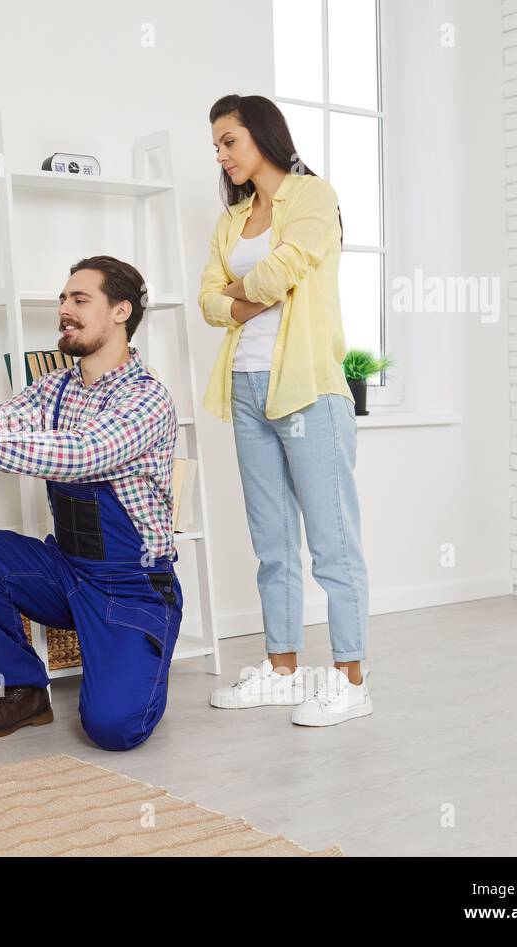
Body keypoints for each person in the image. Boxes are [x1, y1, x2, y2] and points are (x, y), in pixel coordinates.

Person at [0, 256, 183, 751]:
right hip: (69, 572)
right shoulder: (56, 388)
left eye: (80, 300)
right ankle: (25, 691)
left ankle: (136, 654)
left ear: (121, 311)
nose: (64, 309)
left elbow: (83, 453)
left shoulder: (146, 399)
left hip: (131, 588)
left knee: (113, 729)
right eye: (62, 299)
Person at [197, 93, 373, 727]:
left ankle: (352, 679)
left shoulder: (313, 197)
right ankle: (281, 670)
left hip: (307, 390)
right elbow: (208, 301)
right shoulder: (231, 218)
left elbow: (288, 268)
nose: (221, 154)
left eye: (229, 141)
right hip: (246, 388)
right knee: (272, 544)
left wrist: (240, 294)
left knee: (332, 542)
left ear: (263, 136)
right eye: (216, 144)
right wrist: (246, 297)